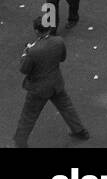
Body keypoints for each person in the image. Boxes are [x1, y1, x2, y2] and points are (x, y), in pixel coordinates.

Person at [13, 17, 90, 148]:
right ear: (48, 28)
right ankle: (80, 131)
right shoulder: (58, 41)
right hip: (56, 83)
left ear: (37, 31)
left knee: (28, 116)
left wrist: (25, 54)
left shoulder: (32, 51)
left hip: (38, 89)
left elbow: (24, 70)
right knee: (66, 107)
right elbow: (62, 58)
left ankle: (20, 142)